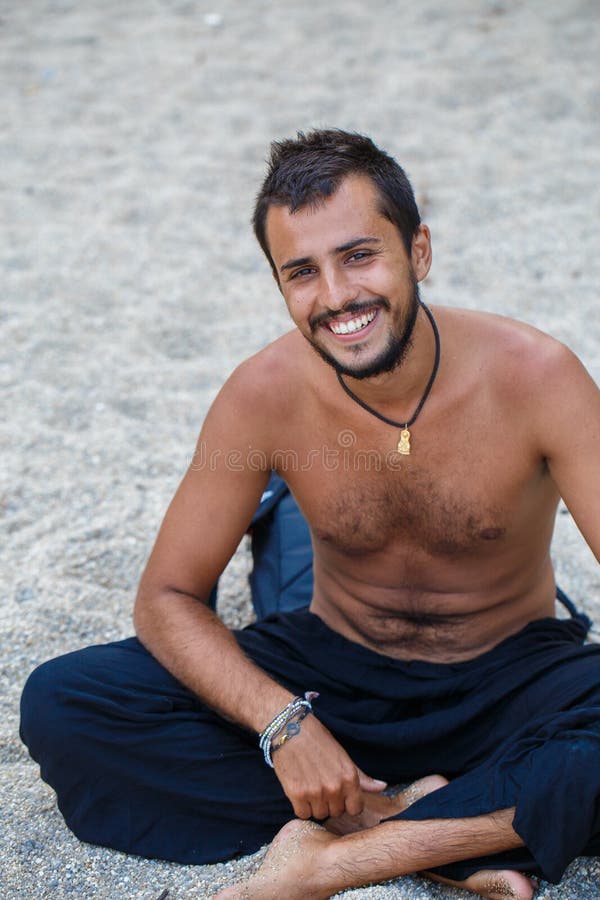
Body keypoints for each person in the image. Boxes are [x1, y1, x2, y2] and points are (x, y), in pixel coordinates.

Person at [20, 129, 600, 900]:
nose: (335, 297)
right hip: (331, 675)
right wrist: (282, 725)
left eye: (360, 255)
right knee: (67, 702)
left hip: (512, 674)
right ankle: (439, 820)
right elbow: (166, 597)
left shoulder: (538, 378)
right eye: (301, 272)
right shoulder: (261, 395)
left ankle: (338, 856)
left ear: (418, 252)